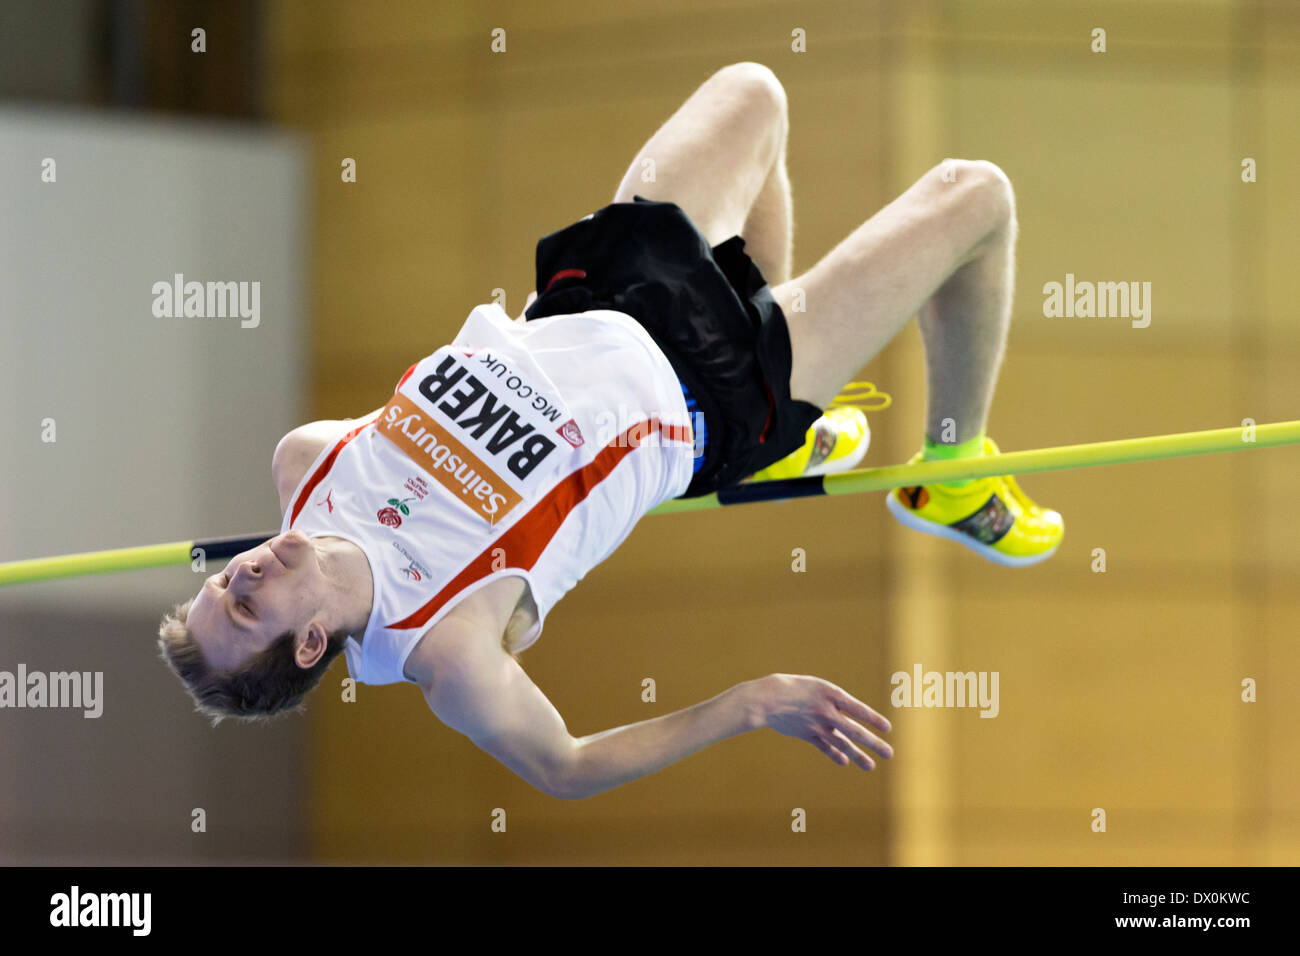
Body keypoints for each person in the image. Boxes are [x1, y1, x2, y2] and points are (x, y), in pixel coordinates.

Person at [158, 62, 1062, 799]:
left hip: (596, 289)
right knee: (976, 198)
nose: (237, 573)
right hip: (706, 393)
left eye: (217, 585)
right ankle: (956, 468)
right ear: (310, 644)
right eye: (244, 609)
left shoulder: (307, 463)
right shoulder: (447, 649)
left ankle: (801, 432)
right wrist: (752, 702)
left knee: (755, 97)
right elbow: (568, 767)